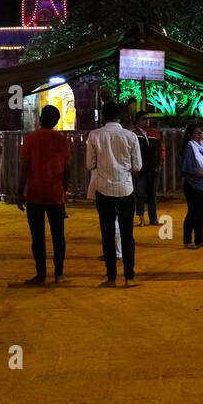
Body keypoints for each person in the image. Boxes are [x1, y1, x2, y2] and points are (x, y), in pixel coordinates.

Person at [86, 100, 142, 287]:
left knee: (107, 233)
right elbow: (138, 166)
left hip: (104, 189)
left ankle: (111, 278)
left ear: (103, 116)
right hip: (126, 189)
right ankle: (130, 276)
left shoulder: (94, 135)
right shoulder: (130, 136)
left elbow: (89, 164)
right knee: (128, 234)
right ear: (121, 116)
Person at [16, 104, 71, 285]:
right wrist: (65, 189)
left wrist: (19, 192)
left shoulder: (31, 139)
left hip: (35, 194)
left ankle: (41, 275)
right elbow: (67, 167)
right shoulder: (62, 140)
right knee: (58, 236)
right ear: (56, 121)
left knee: (37, 237)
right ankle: (59, 274)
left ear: (40, 119)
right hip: (55, 195)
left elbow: (24, 168)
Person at [132, 111, 164, 227]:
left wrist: (160, 163)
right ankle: (141, 219)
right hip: (140, 170)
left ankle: (153, 219)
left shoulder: (154, 134)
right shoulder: (133, 135)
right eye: (144, 119)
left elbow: (161, 148)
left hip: (153, 169)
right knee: (140, 194)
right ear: (137, 121)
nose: (147, 121)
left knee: (152, 195)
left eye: (148, 119)